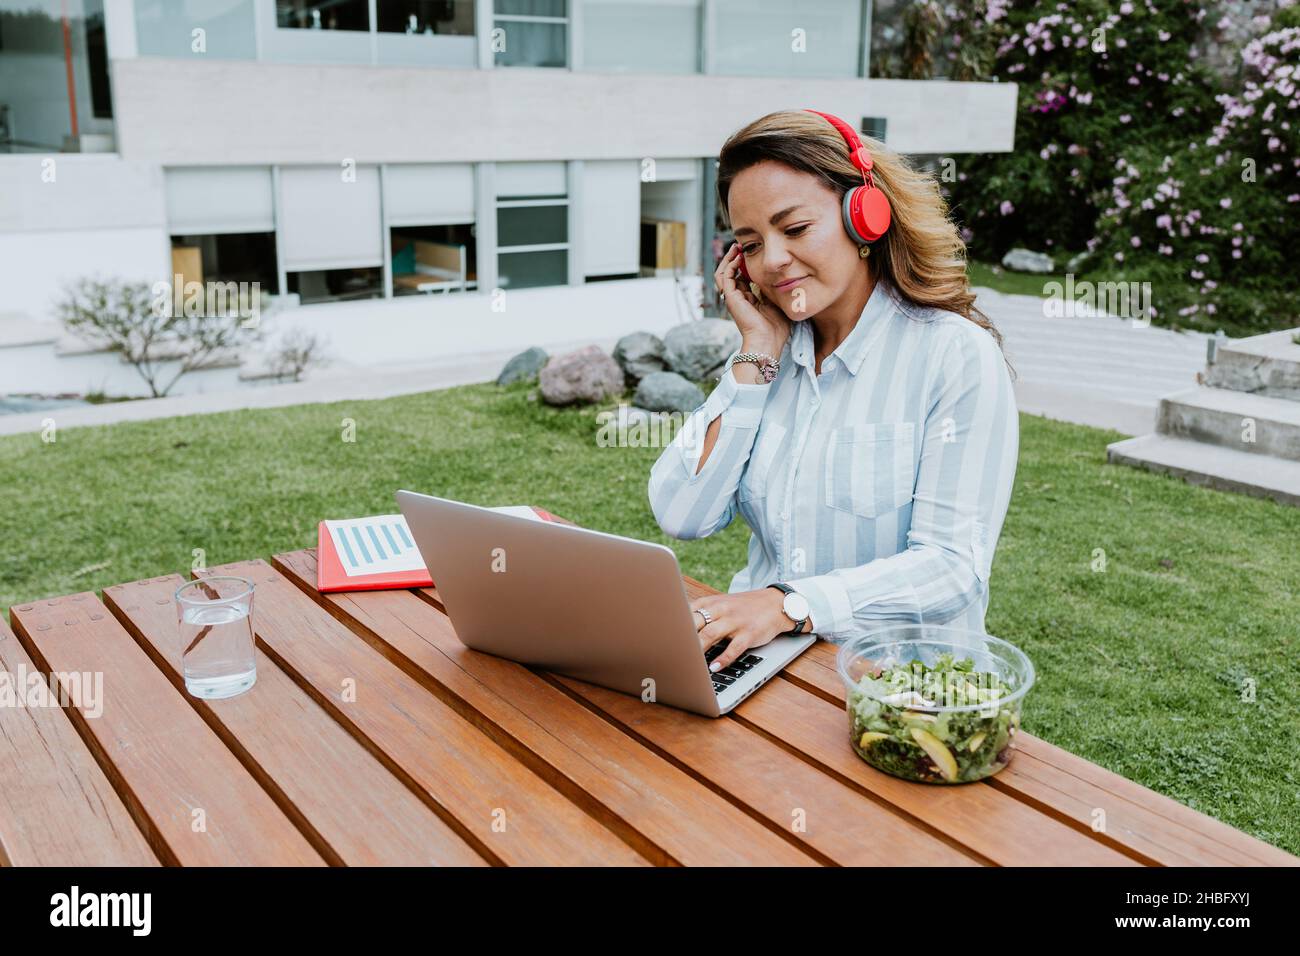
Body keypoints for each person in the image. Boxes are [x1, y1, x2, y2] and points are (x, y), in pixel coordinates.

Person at [647, 109, 1019, 676]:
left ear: (865, 216)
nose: (773, 261)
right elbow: (682, 513)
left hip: (900, 688)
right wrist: (757, 352)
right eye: (751, 244)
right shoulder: (766, 356)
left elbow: (951, 568)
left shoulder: (955, 355)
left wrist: (789, 604)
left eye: (795, 229)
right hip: (768, 666)